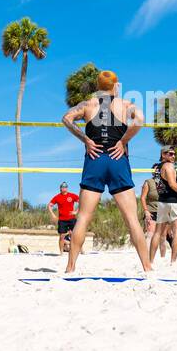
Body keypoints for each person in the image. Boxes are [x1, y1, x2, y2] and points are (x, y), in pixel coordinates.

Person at [61, 70, 153, 273]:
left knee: (83, 217)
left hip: (94, 158)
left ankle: (70, 267)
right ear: (115, 86)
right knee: (131, 218)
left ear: (97, 85)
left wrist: (85, 140)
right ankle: (147, 267)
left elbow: (66, 118)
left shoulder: (87, 104)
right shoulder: (124, 104)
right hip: (117, 157)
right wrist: (123, 141)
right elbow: (140, 118)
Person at [48, 181, 79, 254]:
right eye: (62, 187)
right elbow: (49, 205)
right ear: (60, 188)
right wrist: (52, 214)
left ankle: (80, 250)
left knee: (75, 235)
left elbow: (81, 201)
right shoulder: (57, 197)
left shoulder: (72, 195)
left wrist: (76, 211)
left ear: (67, 188)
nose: (64, 188)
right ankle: (61, 252)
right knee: (62, 236)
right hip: (62, 220)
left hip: (71, 218)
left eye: (65, 187)